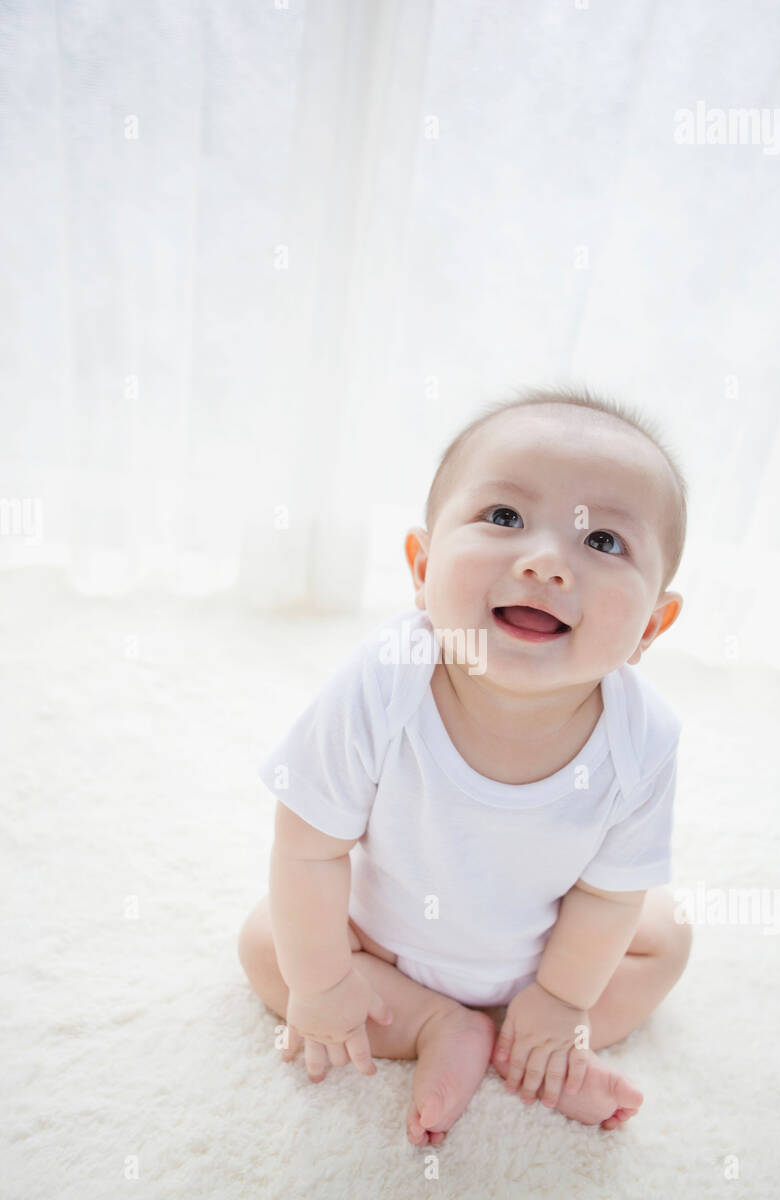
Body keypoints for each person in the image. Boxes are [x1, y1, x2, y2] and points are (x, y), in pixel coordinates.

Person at [239, 386, 693, 1146]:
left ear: (651, 624)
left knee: (664, 937)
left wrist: (560, 1000)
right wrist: (321, 984)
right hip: (386, 940)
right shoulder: (387, 678)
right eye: (506, 518)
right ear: (422, 565)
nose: (547, 562)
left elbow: (609, 902)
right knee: (269, 945)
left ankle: (525, 1040)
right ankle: (438, 1026)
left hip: (542, 957)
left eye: (604, 542)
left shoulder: (643, 740)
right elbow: (308, 846)